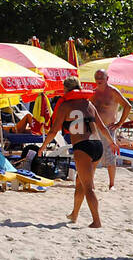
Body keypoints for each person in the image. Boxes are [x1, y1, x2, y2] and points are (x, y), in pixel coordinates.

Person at [40, 77, 113, 228]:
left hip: (83, 146)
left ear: (66, 90)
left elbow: (54, 130)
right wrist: (112, 143)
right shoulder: (89, 104)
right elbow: (102, 127)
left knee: (88, 186)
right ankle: (74, 214)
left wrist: (43, 147)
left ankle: (97, 221)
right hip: (97, 145)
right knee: (80, 182)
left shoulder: (65, 106)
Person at [90, 69, 132, 190]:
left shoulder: (113, 92)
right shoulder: (93, 93)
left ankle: (111, 184)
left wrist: (119, 123)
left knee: (111, 157)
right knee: (93, 156)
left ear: (107, 79)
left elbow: (127, 106)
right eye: (97, 77)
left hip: (109, 127)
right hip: (95, 128)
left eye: (101, 77)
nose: (99, 80)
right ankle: (91, 183)